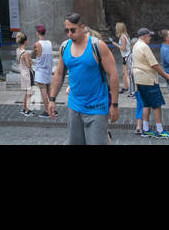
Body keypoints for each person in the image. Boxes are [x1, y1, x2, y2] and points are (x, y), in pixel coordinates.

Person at [47, 12, 119, 145]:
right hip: (74, 107)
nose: (69, 33)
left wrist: (114, 104)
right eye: (66, 30)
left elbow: (113, 75)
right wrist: (52, 99)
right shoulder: (64, 47)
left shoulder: (97, 46)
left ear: (82, 27)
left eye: (73, 30)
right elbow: (59, 74)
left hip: (97, 106)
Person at [130, 27, 169, 138]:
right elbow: (154, 64)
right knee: (156, 105)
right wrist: (166, 75)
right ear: (144, 36)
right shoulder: (144, 47)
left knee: (146, 104)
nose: (150, 38)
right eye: (149, 36)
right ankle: (160, 130)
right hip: (148, 79)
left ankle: (146, 129)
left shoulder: (136, 46)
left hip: (139, 79)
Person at [30, 24, 54, 116]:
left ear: (37, 33)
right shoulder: (49, 43)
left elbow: (33, 56)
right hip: (48, 69)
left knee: (43, 89)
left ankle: (47, 110)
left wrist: (33, 50)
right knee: (49, 89)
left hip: (40, 70)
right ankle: (53, 108)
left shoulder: (37, 44)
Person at [16, 32, 34, 115]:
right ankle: (27, 110)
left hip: (22, 73)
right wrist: (30, 60)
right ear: (25, 41)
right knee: (29, 92)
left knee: (26, 92)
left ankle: (24, 108)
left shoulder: (18, 50)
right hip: (27, 73)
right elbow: (28, 65)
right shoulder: (25, 53)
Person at [114, 22, 131, 94]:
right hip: (125, 56)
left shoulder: (123, 37)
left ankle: (131, 90)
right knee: (124, 73)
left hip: (126, 56)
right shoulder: (125, 36)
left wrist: (116, 44)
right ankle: (125, 87)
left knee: (126, 74)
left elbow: (123, 48)